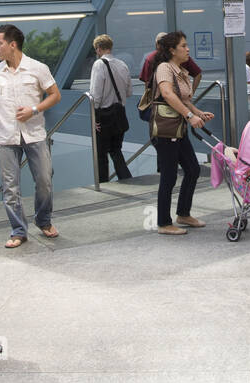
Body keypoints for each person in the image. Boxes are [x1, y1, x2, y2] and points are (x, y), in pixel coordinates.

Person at [0, 24, 61, 248]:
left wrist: (34, 110)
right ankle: (18, 230)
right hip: (7, 137)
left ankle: (43, 221)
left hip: (34, 134)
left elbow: (55, 95)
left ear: (12, 45)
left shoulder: (37, 68)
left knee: (44, 180)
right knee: (10, 187)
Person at [147, 31, 213, 235]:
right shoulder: (164, 68)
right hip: (167, 129)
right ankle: (164, 223)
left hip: (178, 127)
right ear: (171, 50)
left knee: (193, 169)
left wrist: (198, 113)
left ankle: (183, 213)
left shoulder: (179, 69)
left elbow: (183, 99)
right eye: (183, 46)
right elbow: (167, 94)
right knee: (169, 175)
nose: (187, 49)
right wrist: (189, 116)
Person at [90, 34, 132, 182]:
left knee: (101, 153)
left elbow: (95, 94)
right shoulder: (122, 64)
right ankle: (126, 178)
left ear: (99, 49)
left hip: (103, 115)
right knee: (116, 149)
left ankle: (102, 183)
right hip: (120, 113)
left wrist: (94, 115)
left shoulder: (99, 65)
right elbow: (129, 92)